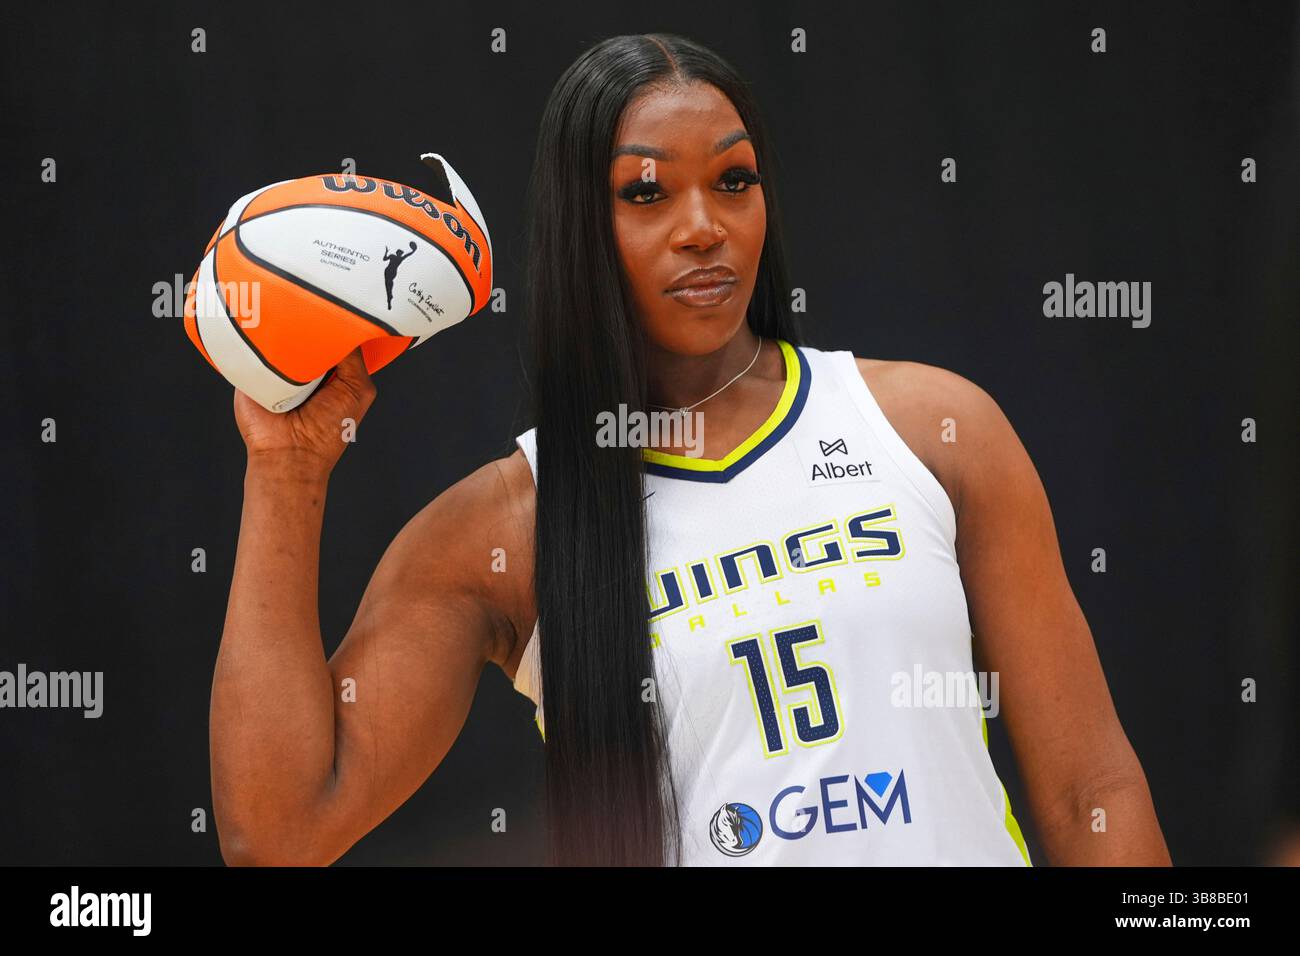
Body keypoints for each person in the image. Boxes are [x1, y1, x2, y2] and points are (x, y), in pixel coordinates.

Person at [210, 33, 1170, 867]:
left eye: (734, 180)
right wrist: (284, 473)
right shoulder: (502, 530)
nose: (704, 227)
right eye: (646, 193)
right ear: (581, 225)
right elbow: (281, 832)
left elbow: (1093, 785)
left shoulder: (935, 429)